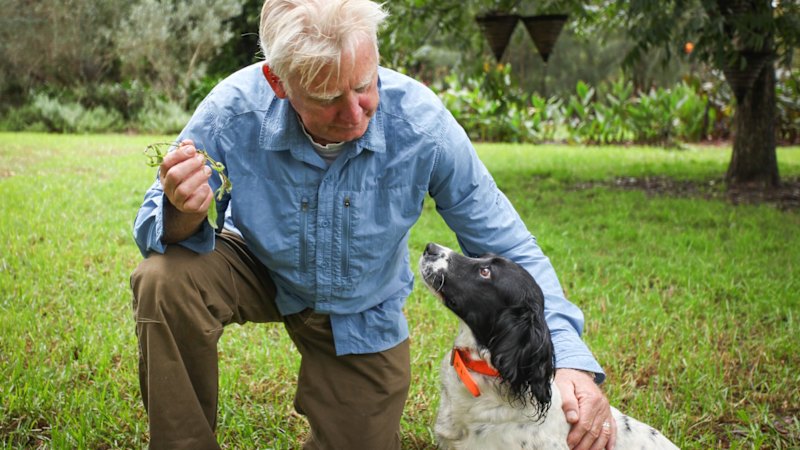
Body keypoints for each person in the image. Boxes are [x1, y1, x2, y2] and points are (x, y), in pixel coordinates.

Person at [131, 1, 617, 449]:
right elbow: (155, 224)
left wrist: (570, 360)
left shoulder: (423, 124)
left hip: (359, 308)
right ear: (278, 83)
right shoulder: (234, 109)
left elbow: (509, 245)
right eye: (326, 97)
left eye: (363, 85)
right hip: (256, 263)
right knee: (164, 279)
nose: (355, 112)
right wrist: (184, 209)